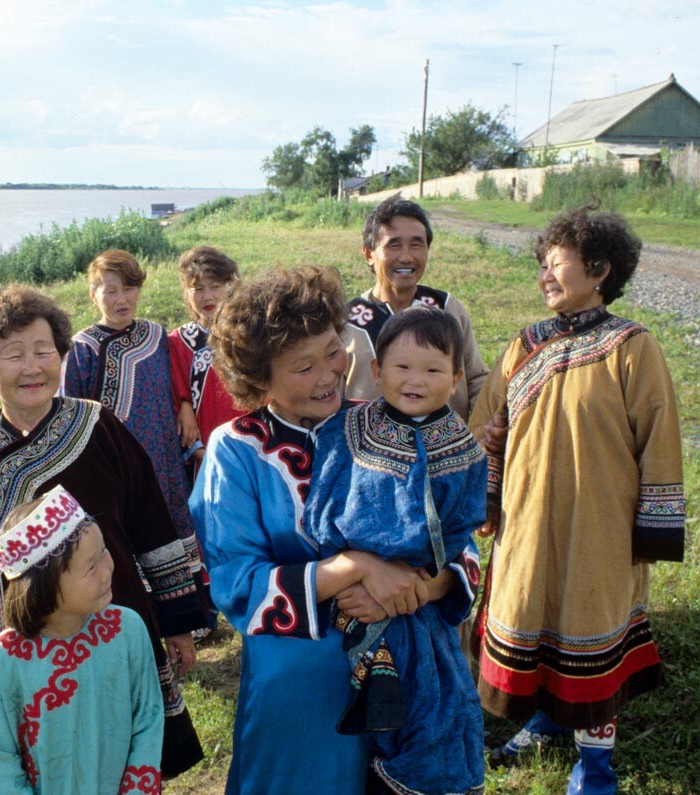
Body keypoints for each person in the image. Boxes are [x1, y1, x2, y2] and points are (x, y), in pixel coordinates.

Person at [190, 265, 479, 795]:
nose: (327, 375)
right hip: (301, 687)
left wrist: (417, 591)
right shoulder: (235, 450)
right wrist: (358, 568)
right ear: (259, 378)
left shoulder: (384, 423)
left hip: (409, 669)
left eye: (333, 351)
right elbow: (237, 584)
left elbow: (463, 548)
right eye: (302, 366)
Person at [0, 284, 206, 778]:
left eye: (43, 350)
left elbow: (150, 522)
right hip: (22, 651)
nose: (32, 367)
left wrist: (178, 618)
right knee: (44, 767)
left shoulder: (98, 426)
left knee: (125, 757)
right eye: (13, 355)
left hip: (113, 632)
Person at [470, 208, 686, 795]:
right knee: (537, 618)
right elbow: (486, 419)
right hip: (529, 524)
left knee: (589, 633)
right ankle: (544, 719)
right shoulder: (526, 344)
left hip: (600, 531)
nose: (544, 273)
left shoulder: (632, 348)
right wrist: (492, 439)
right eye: (541, 263)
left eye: (556, 262)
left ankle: (594, 767)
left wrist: (653, 530)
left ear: (598, 269)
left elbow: (658, 438)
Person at [304, 307, 486, 795]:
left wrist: (422, 585)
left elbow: (463, 533)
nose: (415, 380)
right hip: (346, 598)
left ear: (456, 378)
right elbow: (322, 504)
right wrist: (359, 575)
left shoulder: (465, 450)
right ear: (378, 370)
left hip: (420, 608)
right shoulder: (346, 429)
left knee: (432, 716)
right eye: (402, 367)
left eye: (432, 369)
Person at [0, 486, 164, 795]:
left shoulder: (126, 630)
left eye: (104, 551)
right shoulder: (3, 661)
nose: (108, 568)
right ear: (43, 587)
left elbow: (149, 721)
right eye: (91, 566)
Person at [62, 249, 201, 574]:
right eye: (110, 290)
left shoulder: (155, 335)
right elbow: (69, 411)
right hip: (114, 468)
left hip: (164, 461)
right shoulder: (82, 349)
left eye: (129, 288)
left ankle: (192, 615)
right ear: (93, 295)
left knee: (172, 531)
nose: (121, 298)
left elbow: (177, 382)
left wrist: (183, 405)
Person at [342, 194, 489, 420]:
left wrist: (483, 432)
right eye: (394, 245)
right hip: (367, 451)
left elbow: (477, 379)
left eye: (416, 245)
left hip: (446, 449)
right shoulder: (348, 321)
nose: (406, 257)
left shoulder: (447, 308)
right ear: (369, 254)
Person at [168, 245, 246, 475]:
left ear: (230, 286)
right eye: (198, 289)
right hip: (204, 459)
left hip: (251, 449)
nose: (208, 296)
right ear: (186, 292)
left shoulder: (248, 334)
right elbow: (175, 404)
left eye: (215, 286)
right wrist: (184, 405)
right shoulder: (178, 342)